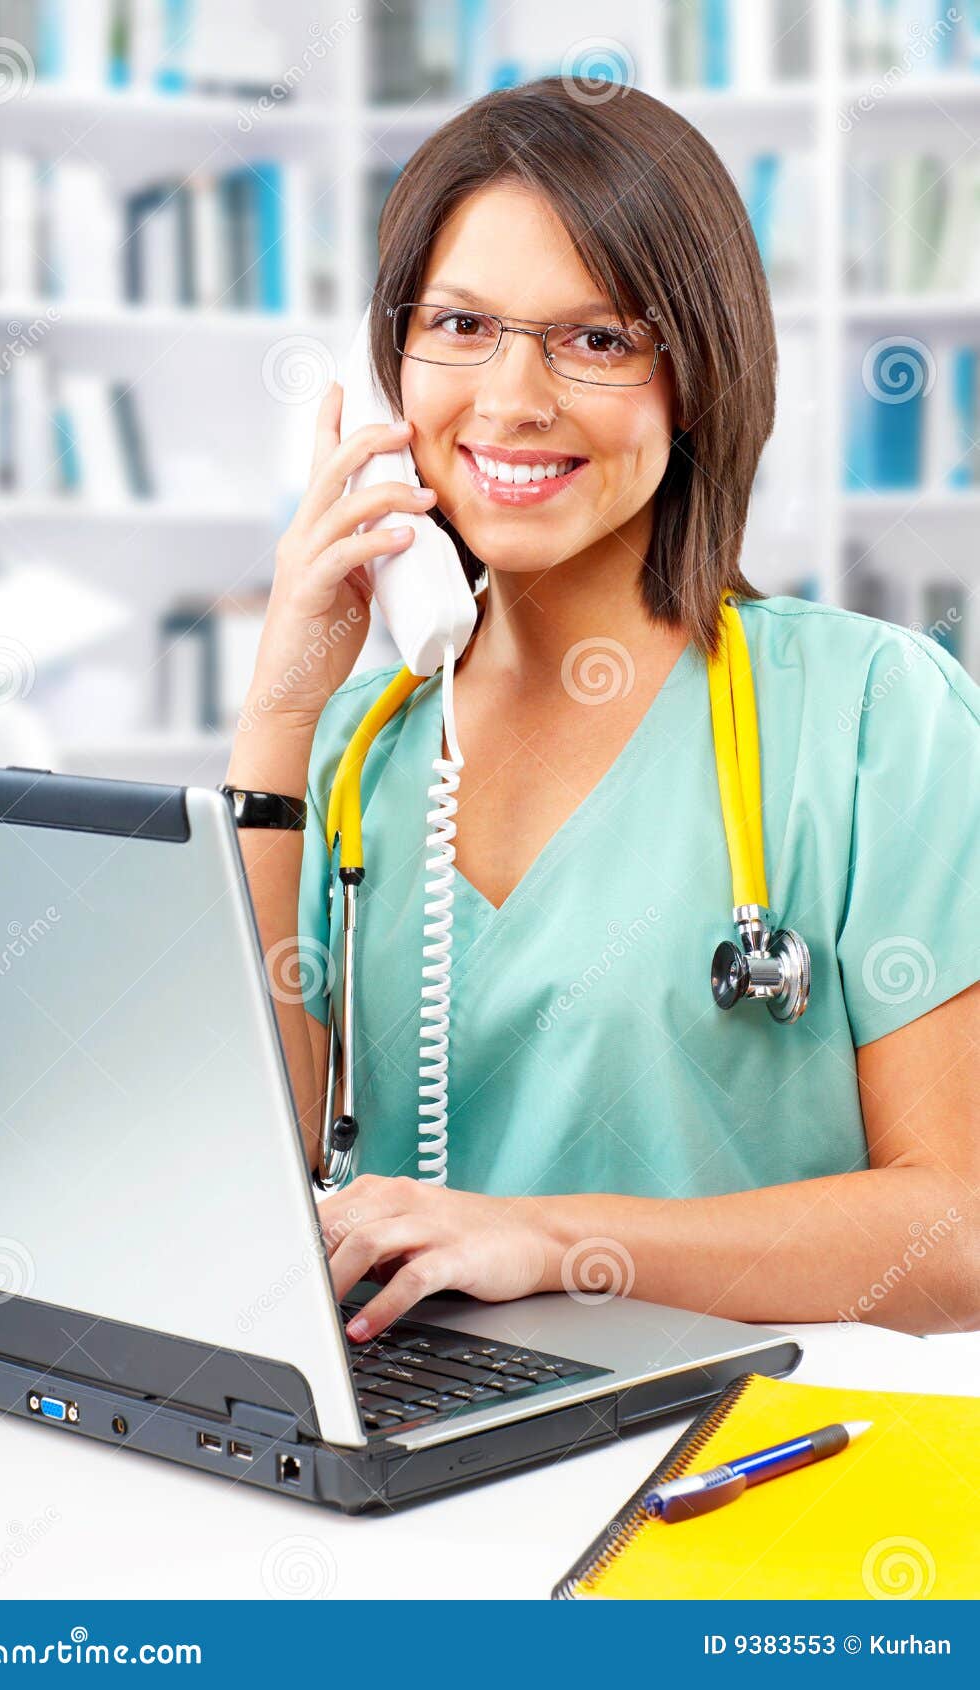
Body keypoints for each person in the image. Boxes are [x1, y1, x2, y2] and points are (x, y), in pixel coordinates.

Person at [225, 78, 979, 1344]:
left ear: (698, 376)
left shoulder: (873, 715)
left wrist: (552, 1240)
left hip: (752, 1463)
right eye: (461, 324)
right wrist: (276, 717)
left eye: (597, 340)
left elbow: (957, 1229)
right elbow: (236, 1189)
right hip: (428, 1459)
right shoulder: (357, 752)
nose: (513, 399)